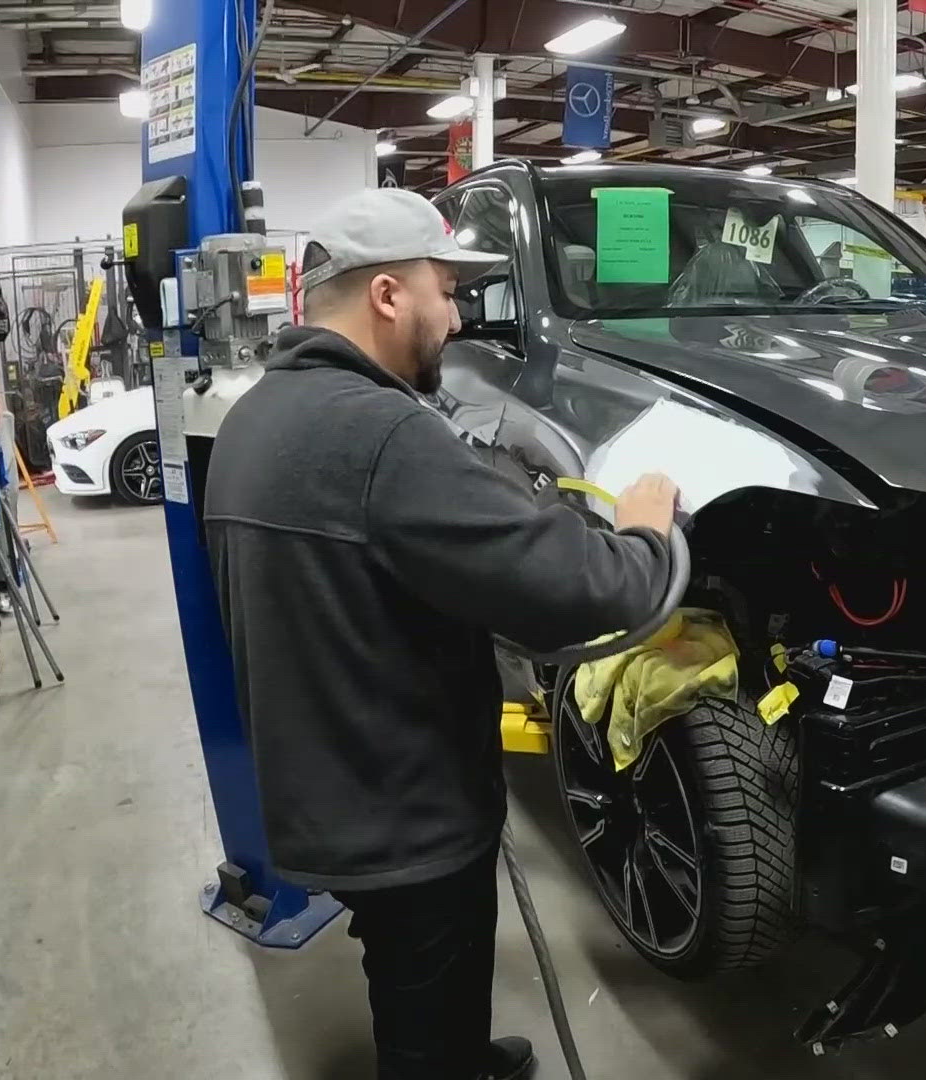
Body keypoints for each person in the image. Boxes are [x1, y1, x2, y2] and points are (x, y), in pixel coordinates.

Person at [204, 188, 680, 1080]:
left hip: (326, 786)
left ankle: (456, 1053)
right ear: (388, 294)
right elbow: (587, 590)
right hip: (408, 814)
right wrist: (647, 532)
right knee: (428, 983)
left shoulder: (254, 418)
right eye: (446, 292)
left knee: (419, 976)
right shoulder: (384, 435)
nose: (458, 319)